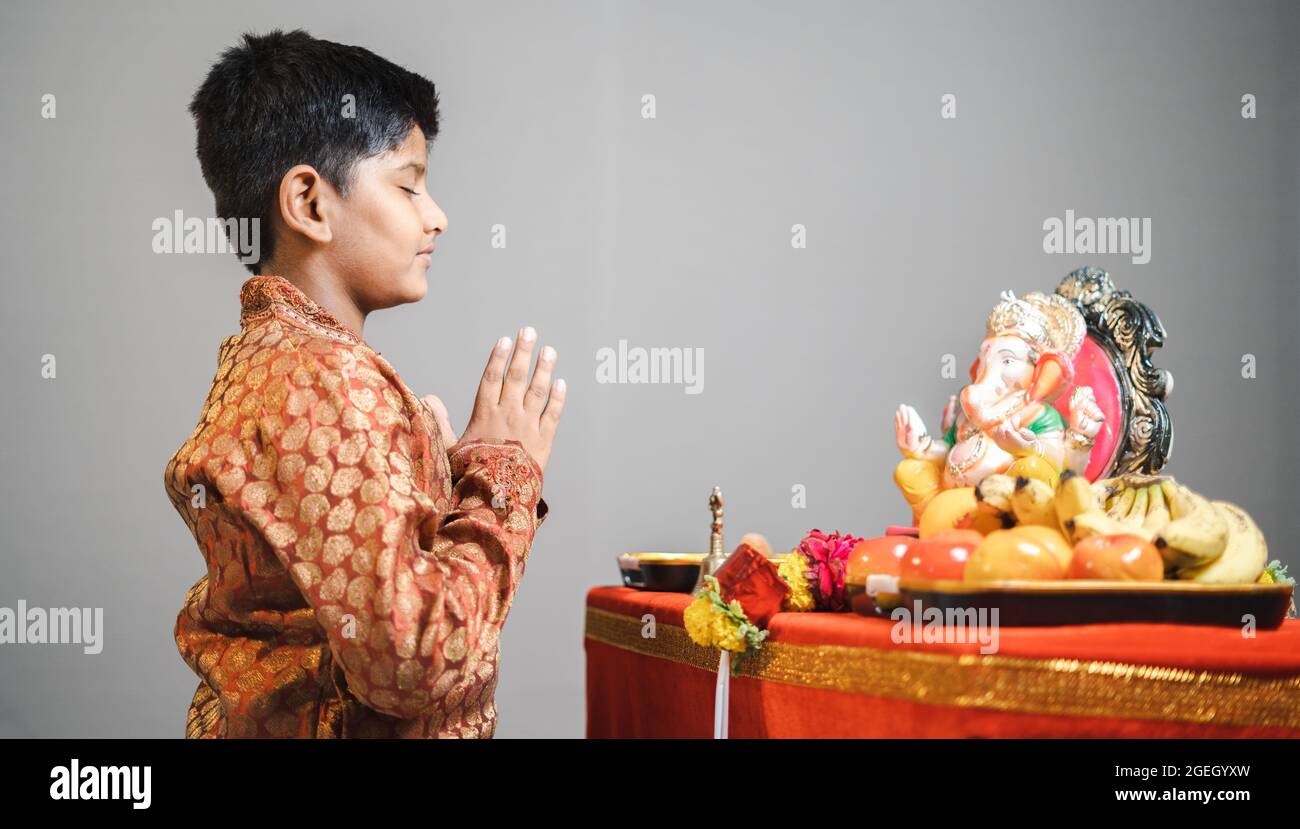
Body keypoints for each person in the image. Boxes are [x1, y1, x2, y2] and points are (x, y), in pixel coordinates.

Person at [164, 29, 565, 738]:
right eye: (408, 184)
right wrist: (502, 478)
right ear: (310, 203)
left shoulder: (273, 361)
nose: (435, 214)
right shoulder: (324, 380)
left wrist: (444, 487)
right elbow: (412, 661)